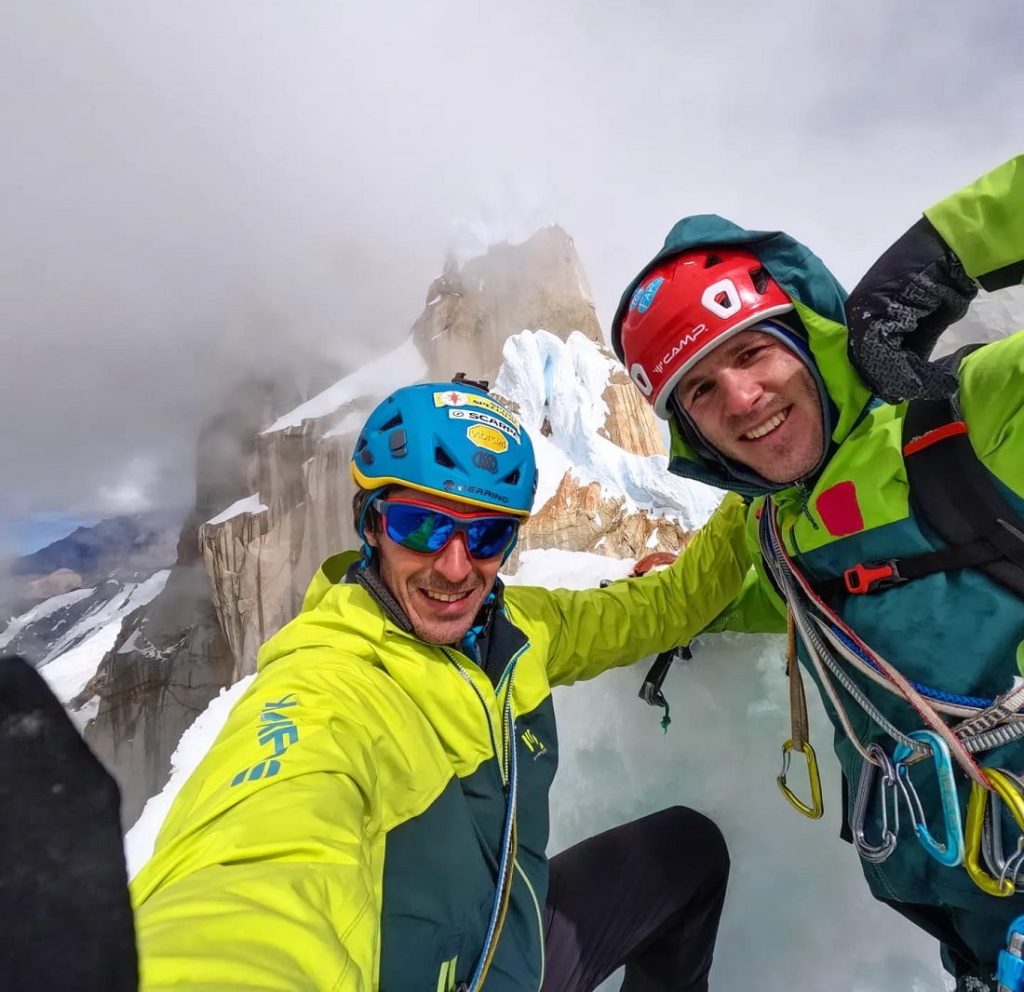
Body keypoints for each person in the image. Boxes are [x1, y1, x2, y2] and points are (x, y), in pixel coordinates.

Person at [130, 379, 752, 991]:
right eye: (421, 527)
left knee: (687, 855)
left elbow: (666, 608)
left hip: (515, 951)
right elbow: (253, 871)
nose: (455, 568)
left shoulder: (517, 627)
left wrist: (753, 487)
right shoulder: (329, 681)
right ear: (371, 526)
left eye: (485, 535)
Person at [612, 154, 1024, 990]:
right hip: (974, 937)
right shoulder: (777, 533)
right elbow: (763, 604)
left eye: (755, 352)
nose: (742, 398)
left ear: (811, 337)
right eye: (700, 388)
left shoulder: (979, 414)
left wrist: (947, 247)